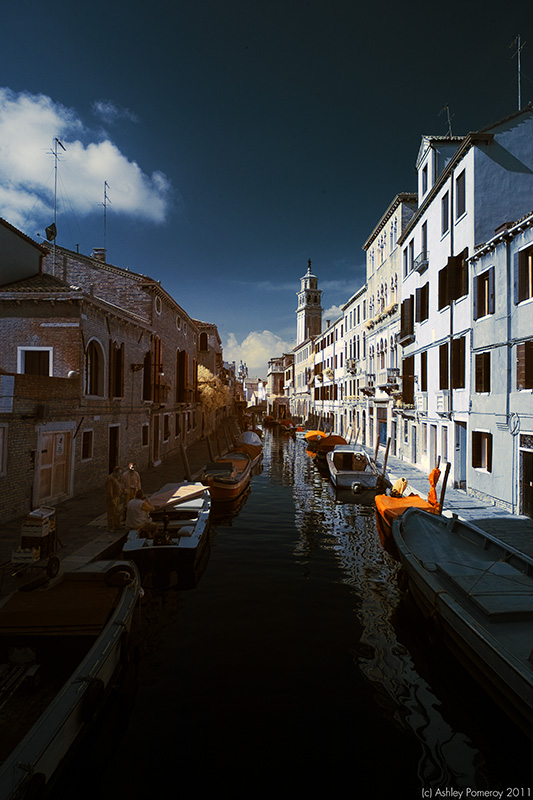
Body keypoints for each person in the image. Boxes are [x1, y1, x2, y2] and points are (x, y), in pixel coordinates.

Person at [105, 466, 123, 531]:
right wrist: (111, 498)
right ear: (115, 472)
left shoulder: (116, 478)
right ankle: (110, 527)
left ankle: (117, 525)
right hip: (112, 498)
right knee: (111, 513)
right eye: (119, 473)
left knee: (117, 512)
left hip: (117, 497)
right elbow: (109, 490)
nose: (119, 475)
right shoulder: (110, 479)